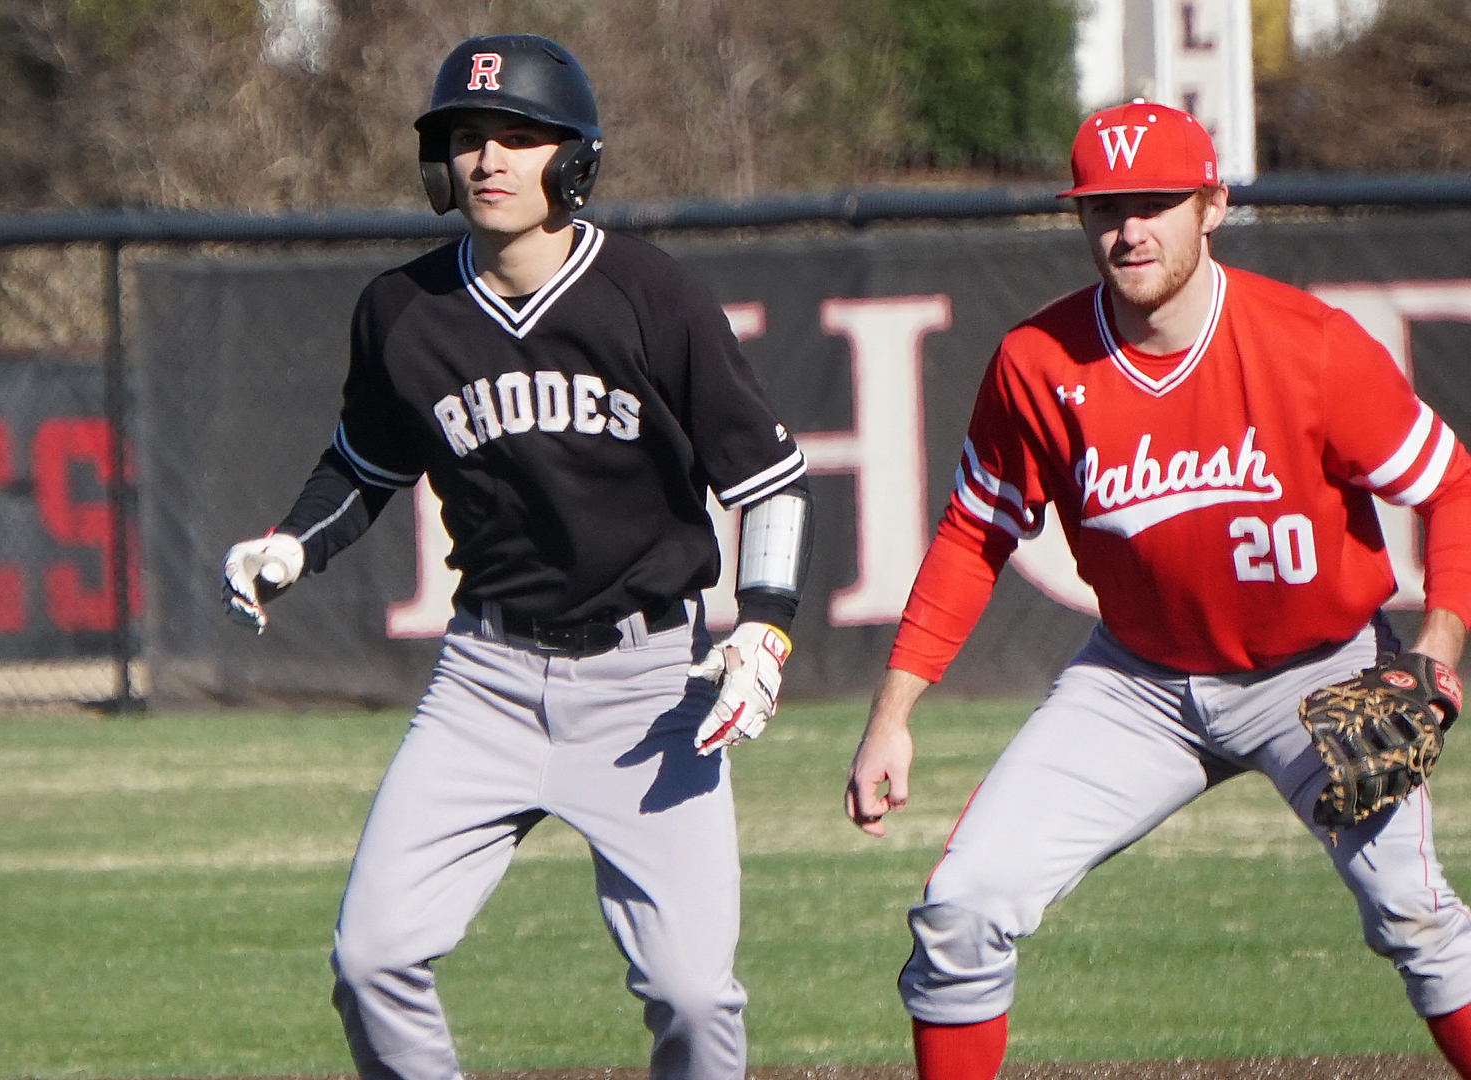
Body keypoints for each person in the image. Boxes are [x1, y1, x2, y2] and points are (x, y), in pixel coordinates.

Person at [219, 34, 812, 1080]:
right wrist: (289, 546)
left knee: (691, 996)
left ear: (574, 162)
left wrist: (764, 623)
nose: (489, 159)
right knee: (372, 960)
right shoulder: (402, 311)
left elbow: (766, 479)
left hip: (649, 686)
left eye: (520, 137)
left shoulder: (648, 294)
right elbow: (364, 464)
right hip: (485, 682)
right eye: (467, 137)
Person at [844, 98, 1471, 1080]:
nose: (1128, 230)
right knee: (963, 907)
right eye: (1104, 207)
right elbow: (975, 532)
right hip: (1138, 686)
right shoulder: (1039, 364)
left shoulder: (1308, 344)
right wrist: (893, 712)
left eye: (1155, 203)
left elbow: (1451, 482)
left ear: (1212, 204)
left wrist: (1435, 648)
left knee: (1418, 916)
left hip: (1319, 677)